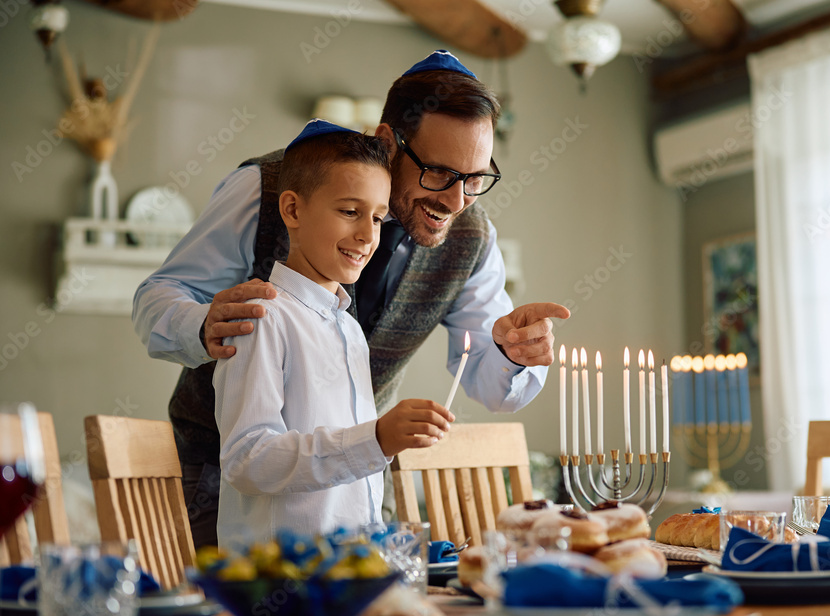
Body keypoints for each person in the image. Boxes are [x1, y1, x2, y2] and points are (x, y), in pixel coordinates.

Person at [133, 50, 571, 548]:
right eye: (440, 173)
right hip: (221, 476)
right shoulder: (268, 186)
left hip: (360, 478)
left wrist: (513, 355)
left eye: (474, 178)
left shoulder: (471, 237)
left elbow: (491, 384)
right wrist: (201, 323)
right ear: (388, 141)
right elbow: (156, 299)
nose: (455, 201)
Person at [213, 120, 454, 545]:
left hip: (350, 574)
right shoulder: (261, 318)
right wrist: (374, 439)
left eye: (378, 219)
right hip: (283, 586)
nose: (366, 235)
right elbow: (246, 460)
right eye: (349, 211)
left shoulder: (348, 327)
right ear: (292, 210)